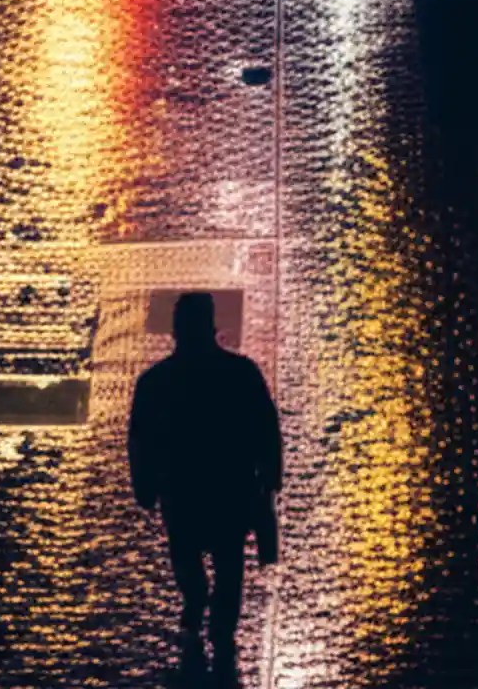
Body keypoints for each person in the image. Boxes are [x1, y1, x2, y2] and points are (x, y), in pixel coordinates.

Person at [127, 292, 283, 687]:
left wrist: (143, 483)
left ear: (177, 331)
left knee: (186, 553)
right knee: (229, 561)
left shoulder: (156, 382)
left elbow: (140, 439)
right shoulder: (241, 372)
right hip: (230, 487)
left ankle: (196, 604)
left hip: (181, 489)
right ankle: (221, 628)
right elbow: (266, 428)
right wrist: (270, 475)